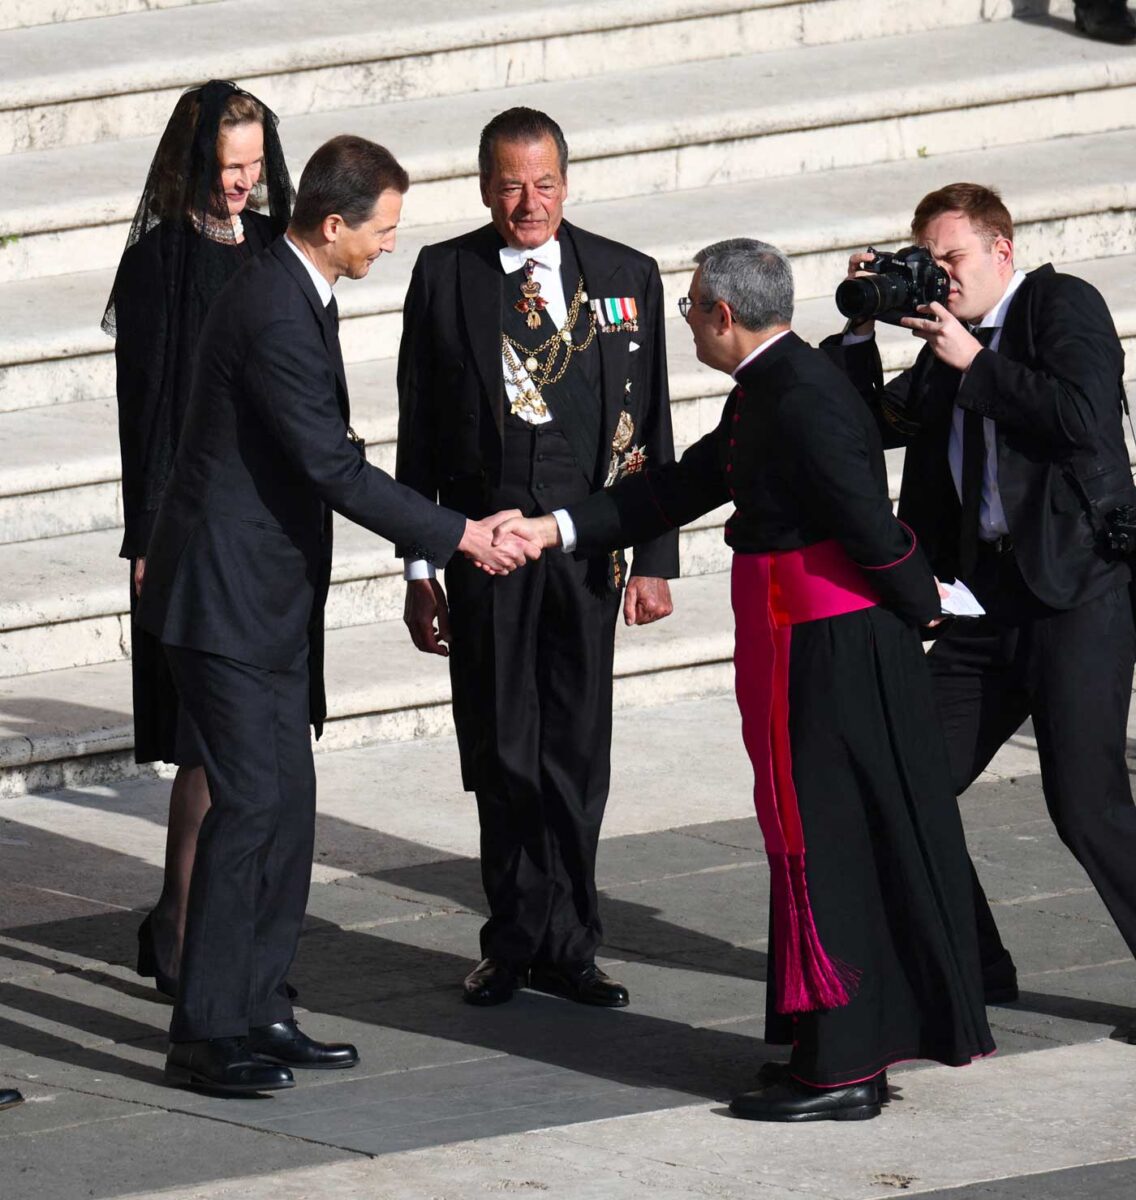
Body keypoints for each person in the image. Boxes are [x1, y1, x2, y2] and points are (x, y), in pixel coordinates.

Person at [497, 239, 995, 1121]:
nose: (684, 318)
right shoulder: (776, 384)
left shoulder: (798, 395)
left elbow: (868, 527)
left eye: (690, 307)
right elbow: (675, 490)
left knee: (827, 843)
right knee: (807, 839)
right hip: (801, 642)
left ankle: (843, 1069)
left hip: (832, 651)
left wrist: (925, 608)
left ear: (725, 314)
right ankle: (828, 1046)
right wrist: (554, 530)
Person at [137, 134, 536, 1095]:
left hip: (267, 600)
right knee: (251, 808)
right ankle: (206, 1028)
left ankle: (262, 1007)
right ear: (332, 224)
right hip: (227, 602)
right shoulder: (275, 308)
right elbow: (331, 464)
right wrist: (459, 536)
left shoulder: (293, 286)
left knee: (289, 810)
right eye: (383, 229)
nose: (390, 245)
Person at [825, 182, 1136, 1010]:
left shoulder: (1059, 305)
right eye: (927, 263)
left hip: (1076, 595)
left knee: (1086, 805)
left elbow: (1087, 416)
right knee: (900, 772)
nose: (941, 278)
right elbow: (863, 426)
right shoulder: (942, 349)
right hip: (982, 600)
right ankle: (978, 964)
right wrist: (862, 327)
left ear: (1002, 251)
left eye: (952, 259)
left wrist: (978, 363)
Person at [395, 107, 679, 1010]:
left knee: (576, 754)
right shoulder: (446, 275)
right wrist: (419, 568)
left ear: (567, 180)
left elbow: (657, 431)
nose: (530, 203)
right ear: (485, 186)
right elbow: (417, 438)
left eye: (546, 182)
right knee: (500, 748)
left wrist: (657, 558)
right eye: (512, 184)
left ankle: (573, 944)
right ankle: (511, 940)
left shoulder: (626, 275)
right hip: (484, 558)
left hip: (587, 556)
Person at [102, 80, 294, 997]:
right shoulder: (157, 264)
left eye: (254, 167)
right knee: (210, 747)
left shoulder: (274, 248)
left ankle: (232, 938)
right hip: (189, 536)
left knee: (262, 748)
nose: (241, 185)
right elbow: (146, 415)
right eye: (226, 168)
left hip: (272, 536)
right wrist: (149, 535)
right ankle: (180, 923)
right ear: (191, 164)